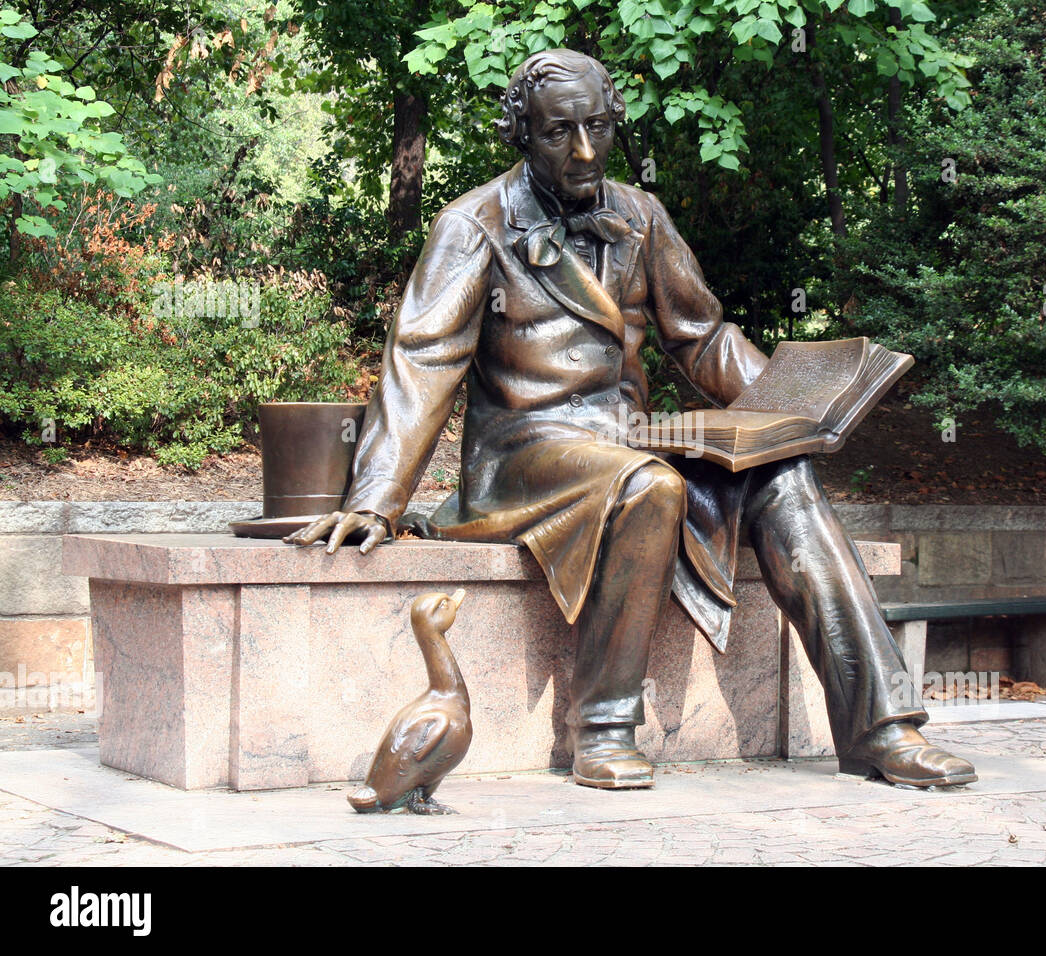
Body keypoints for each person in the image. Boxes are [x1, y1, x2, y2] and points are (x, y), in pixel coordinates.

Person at [287, 48, 976, 791]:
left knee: (784, 473)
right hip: (525, 453)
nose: (583, 151)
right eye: (558, 133)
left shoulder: (640, 215)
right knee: (648, 487)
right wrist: (376, 497)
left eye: (597, 128)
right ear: (521, 132)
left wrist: (793, 413)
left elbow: (702, 339)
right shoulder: (474, 226)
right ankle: (604, 728)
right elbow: (422, 363)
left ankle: (882, 729)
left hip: (626, 440)